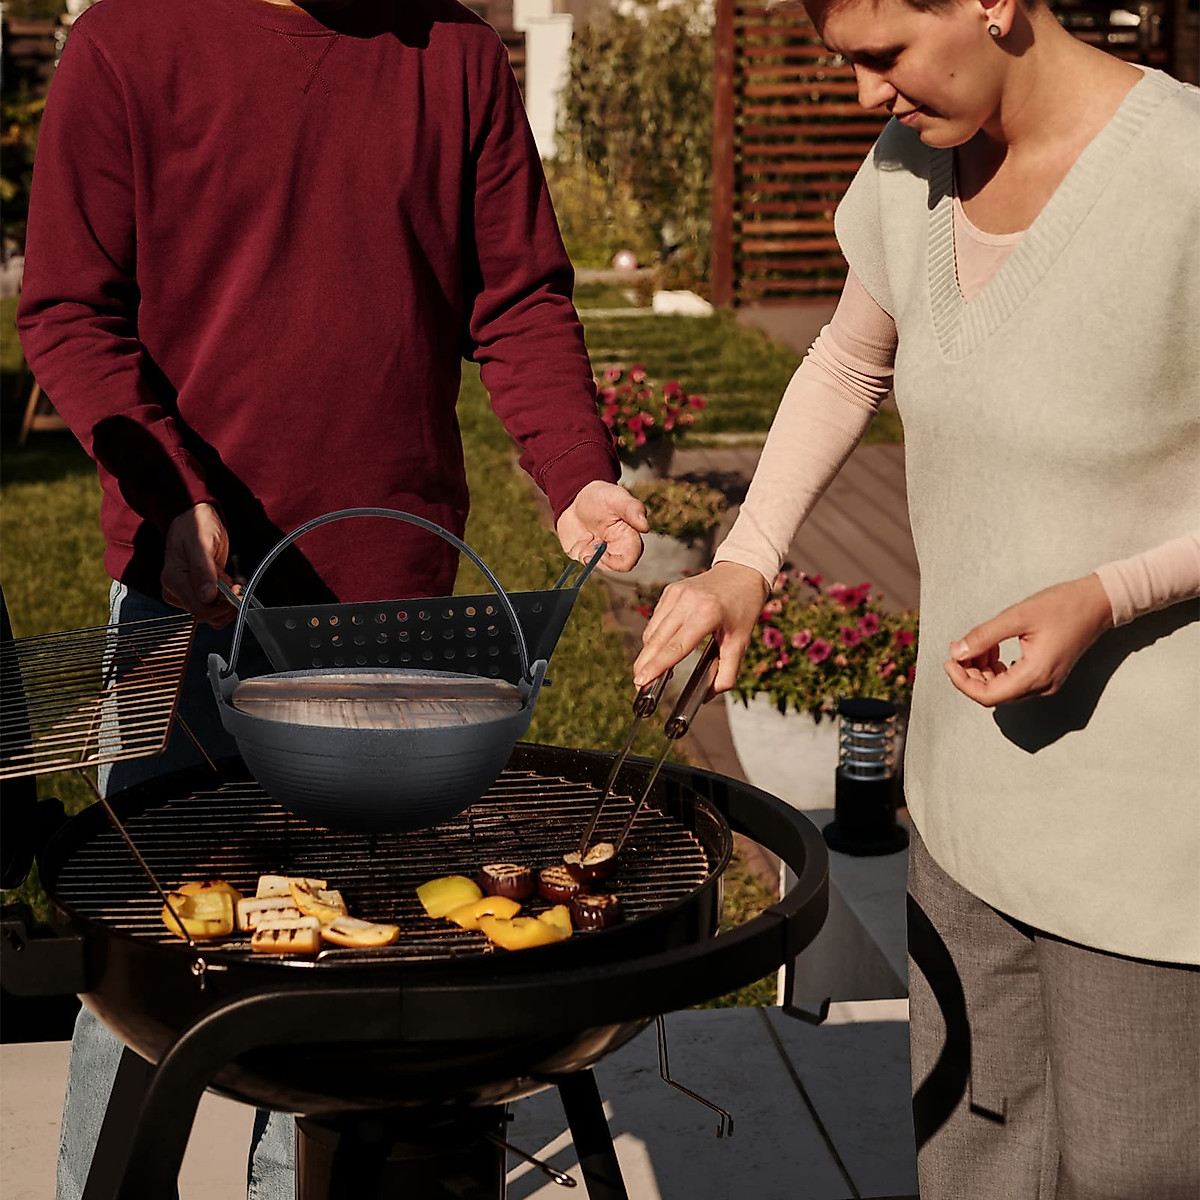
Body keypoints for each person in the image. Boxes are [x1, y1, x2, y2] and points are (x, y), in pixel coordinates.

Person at [16, 0, 648, 1196]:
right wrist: (169, 504)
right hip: (180, 601)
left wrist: (577, 471)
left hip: (388, 615)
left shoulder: (454, 53)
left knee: (342, 960)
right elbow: (67, 309)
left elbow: (515, 298)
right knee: (155, 952)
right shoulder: (124, 41)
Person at [633, 1, 1200, 1196]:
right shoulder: (908, 172)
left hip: (1151, 848)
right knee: (970, 1163)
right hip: (959, 808)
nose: (861, 97)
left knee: (1132, 1172)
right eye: (843, 62)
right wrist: (748, 554)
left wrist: (1109, 594)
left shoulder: (1185, 178)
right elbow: (850, 360)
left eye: (881, 55)